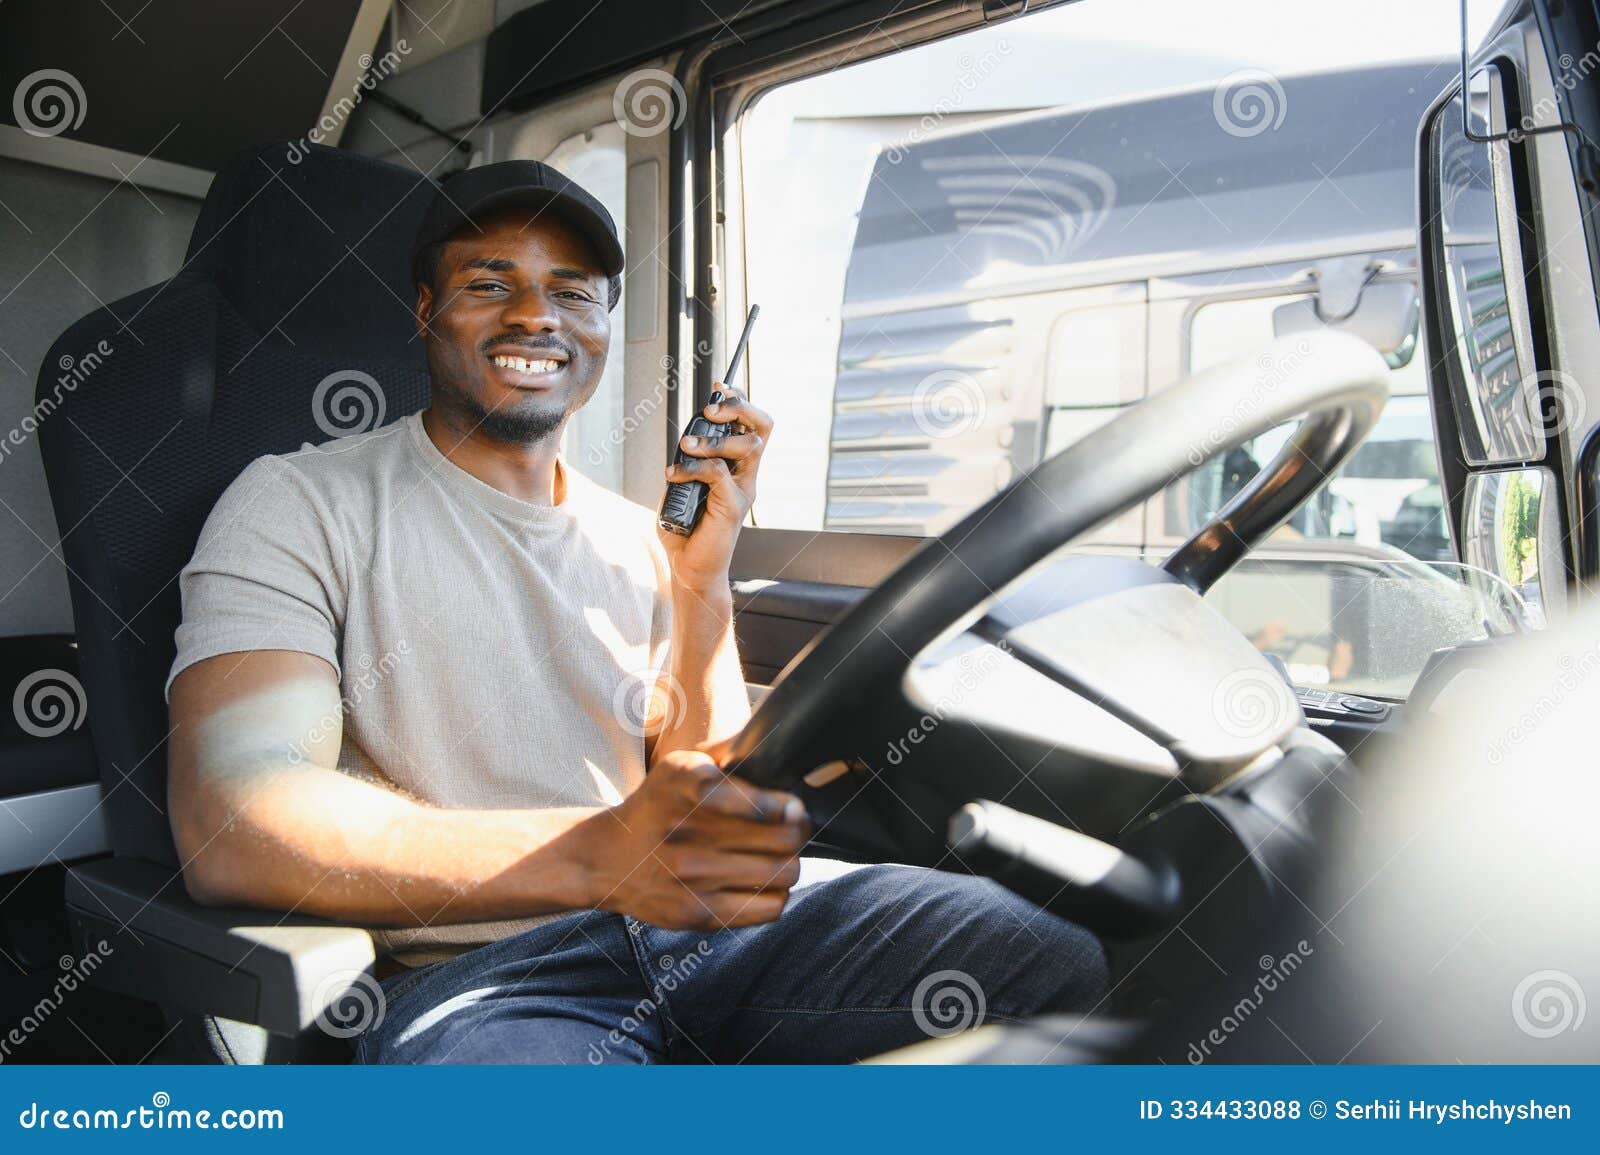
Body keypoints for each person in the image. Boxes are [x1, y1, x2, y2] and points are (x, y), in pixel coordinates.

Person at [164, 161, 1106, 1064]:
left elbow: (709, 782)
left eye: (573, 293)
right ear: (425, 309)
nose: (537, 314)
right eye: (491, 283)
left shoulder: (639, 537)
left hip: (702, 939)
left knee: (1064, 956)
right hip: (484, 972)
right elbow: (235, 812)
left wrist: (702, 589)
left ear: (604, 328)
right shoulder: (298, 501)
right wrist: (597, 856)